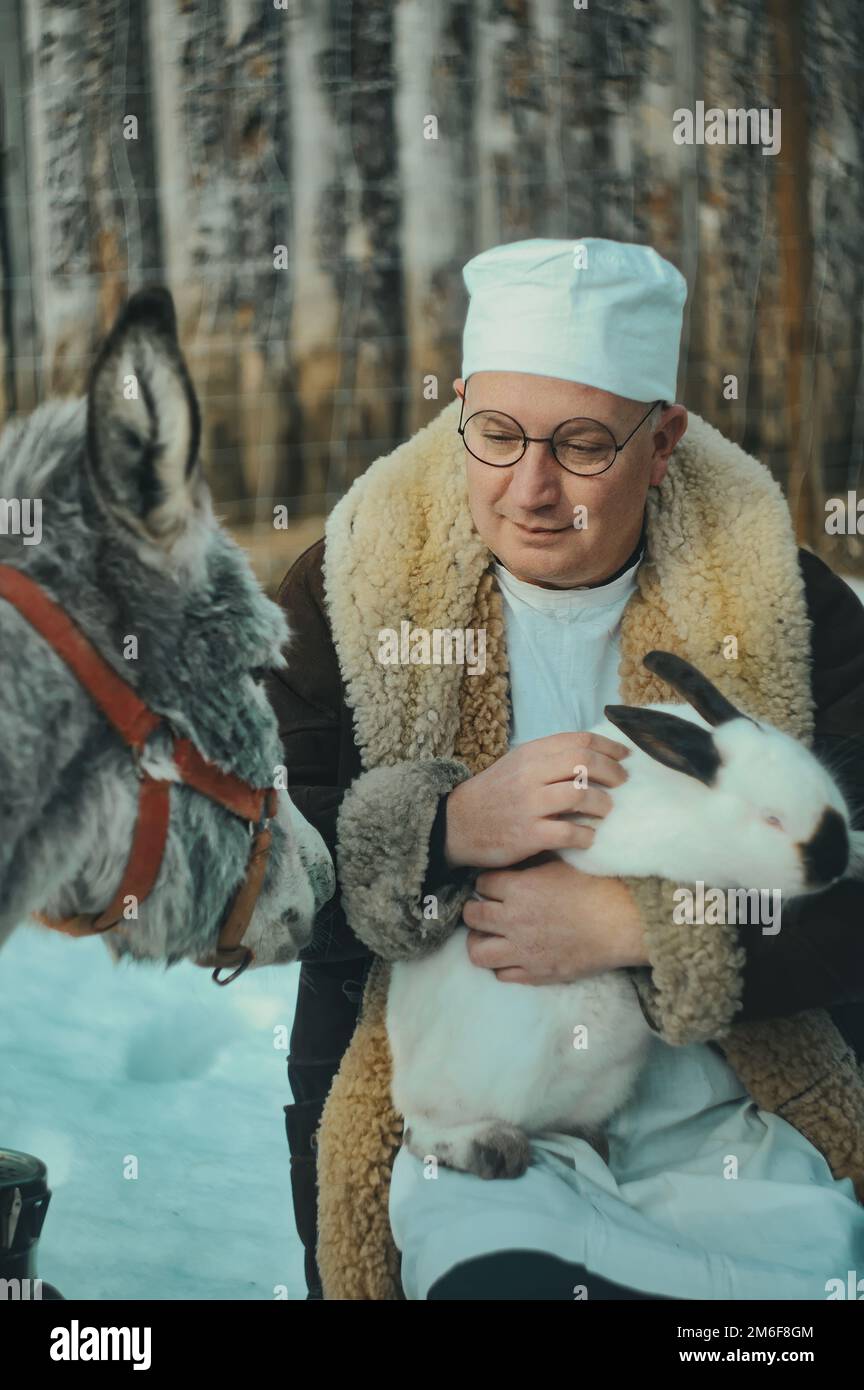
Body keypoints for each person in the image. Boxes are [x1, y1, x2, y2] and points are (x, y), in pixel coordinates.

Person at [266, 237, 864, 1301]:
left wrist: (636, 928)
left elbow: (852, 889)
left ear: (665, 437)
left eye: (584, 445)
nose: (532, 488)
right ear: (460, 407)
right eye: (495, 435)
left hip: (735, 1131)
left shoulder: (785, 602)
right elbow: (258, 876)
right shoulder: (352, 589)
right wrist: (442, 827)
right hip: (477, 1143)